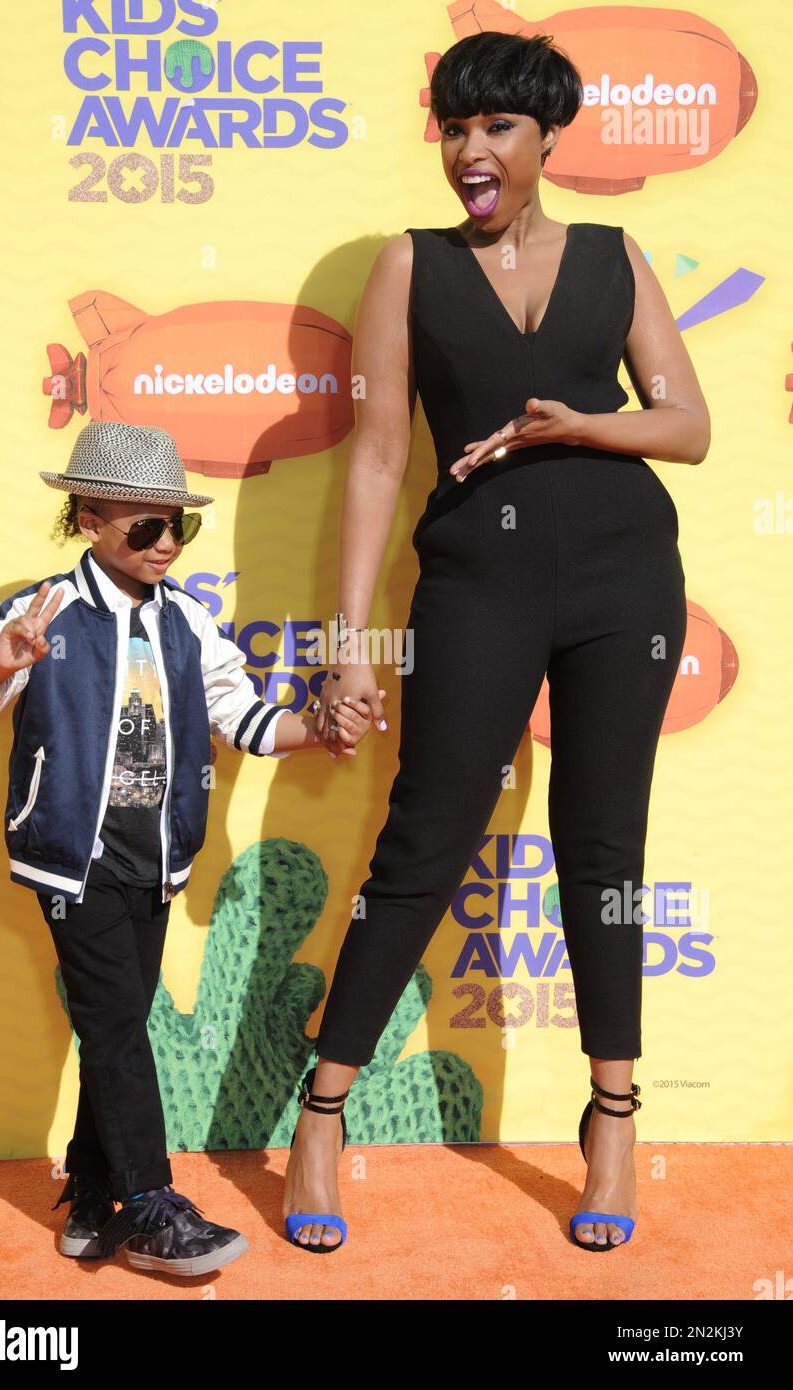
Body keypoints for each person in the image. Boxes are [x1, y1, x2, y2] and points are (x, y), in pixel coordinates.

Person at [283, 31, 710, 1253]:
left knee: (602, 844)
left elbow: (686, 426)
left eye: (496, 131)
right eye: (453, 127)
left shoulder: (613, 258)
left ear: (544, 142)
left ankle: (611, 1117)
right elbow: (372, 458)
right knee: (423, 835)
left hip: (626, 578)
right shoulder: (405, 267)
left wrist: (583, 423)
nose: (469, 152)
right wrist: (348, 637)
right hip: (475, 579)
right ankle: (323, 1111)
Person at [0, 419, 375, 1278]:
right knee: (114, 1024)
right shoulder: (44, 609)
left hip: (159, 858)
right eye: (145, 526)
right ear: (89, 519)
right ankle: (151, 1204)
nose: (166, 542)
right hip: (71, 855)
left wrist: (319, 727)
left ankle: (93, 1201)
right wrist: (4, 662)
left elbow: (246, 721)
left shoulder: (189, 623)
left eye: (181, 525)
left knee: (117, 1026)